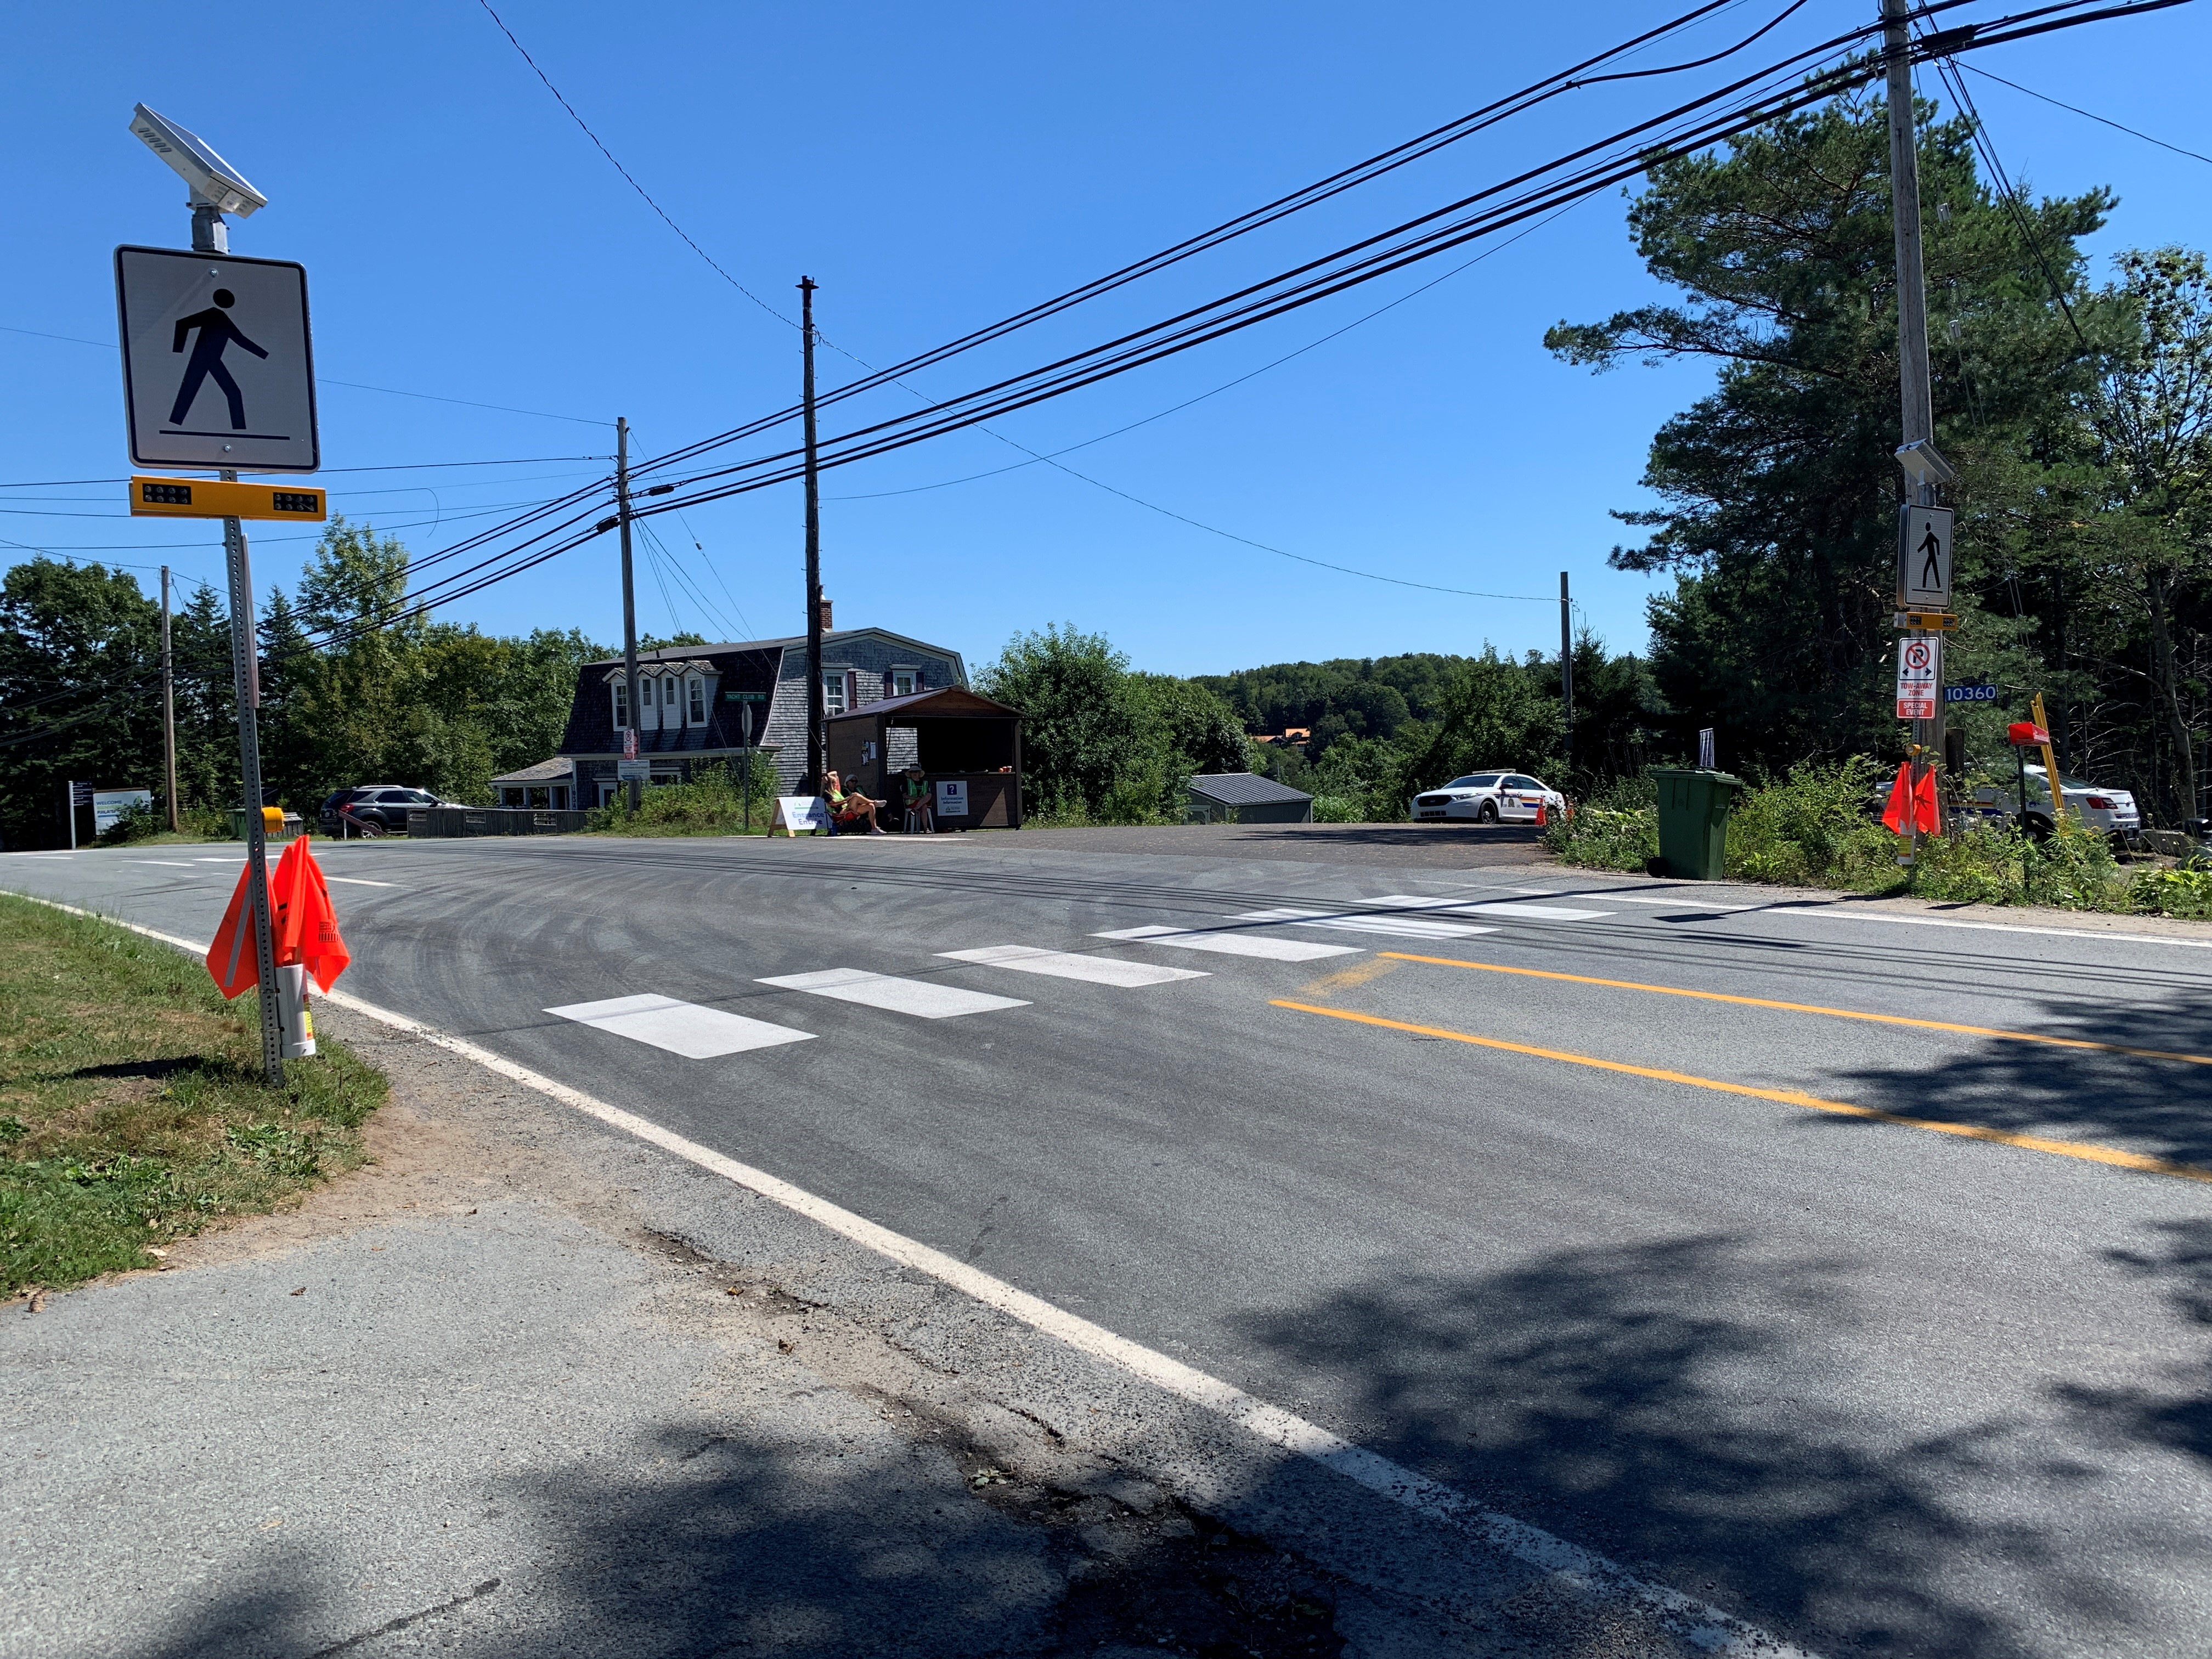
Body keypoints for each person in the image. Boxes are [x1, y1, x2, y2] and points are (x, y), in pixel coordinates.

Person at [824, 770, 885, 835]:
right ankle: (875, 803)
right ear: (829, 783)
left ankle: (874, 829)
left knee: (870, 806)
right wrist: (847, 799)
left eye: (836, 782)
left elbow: (836, 773)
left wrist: (826, 775)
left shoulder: (836, 792)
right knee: (856, 796)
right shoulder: (827, 794)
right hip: (842, 812)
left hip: (850, 809)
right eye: (834, 782)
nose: (836, 784)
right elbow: (834, 803)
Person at [899, 765, 934, 833]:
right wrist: (916, 798)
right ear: (910, 774)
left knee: (929, 797)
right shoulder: (907, 782)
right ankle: (925, 828)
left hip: (922, 802)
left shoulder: (925, 783)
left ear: (919, 773)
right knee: (924, 805)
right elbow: (905, 796)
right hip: (911, 802)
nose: (914, 773)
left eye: (916, 772)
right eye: (912, 772)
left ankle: (925, 828)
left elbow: (928, 795)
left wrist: (920, 799)